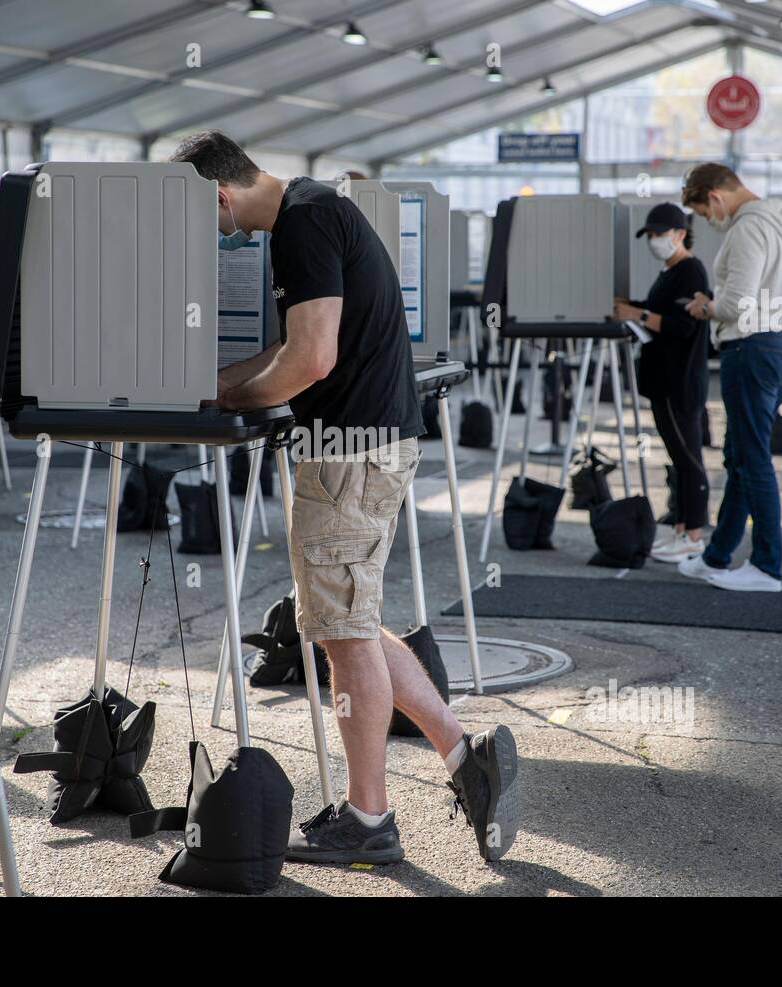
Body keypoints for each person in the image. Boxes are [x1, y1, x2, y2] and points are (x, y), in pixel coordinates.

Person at [170, 131, 519, 864]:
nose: (214, 234)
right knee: (347, 620)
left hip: (348, 450)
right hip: (367, 445)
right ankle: (464, 755)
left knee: (343, 633)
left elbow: (312, 358)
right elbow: (294, 348)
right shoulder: (312, 210)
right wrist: (225, 380)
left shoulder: (300, 224)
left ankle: (368, 821)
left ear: (219, 195)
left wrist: (232, 401)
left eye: (206, 218)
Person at [676, 163, 782, 592]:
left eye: (706, 213)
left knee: (753, 461)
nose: (711, 222)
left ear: (714, 196)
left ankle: (767, 566)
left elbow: (738, 304)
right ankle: (717, 555)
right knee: (741, 457)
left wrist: (705, 306)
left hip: (750, 348)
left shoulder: (748, 228)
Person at [613, 202, 711, 564]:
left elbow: (683, 325)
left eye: (659, 234)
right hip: (664, 381)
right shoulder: (670, 271)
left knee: (688, 459)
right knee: (679, 458)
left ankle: (694, 534)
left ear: (680, 233)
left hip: (679, 381)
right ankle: (682, 529)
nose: (654, 240)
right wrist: (634, 307)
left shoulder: (690, 271)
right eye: (650, 235)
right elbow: (664, 311)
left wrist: (637, 313)